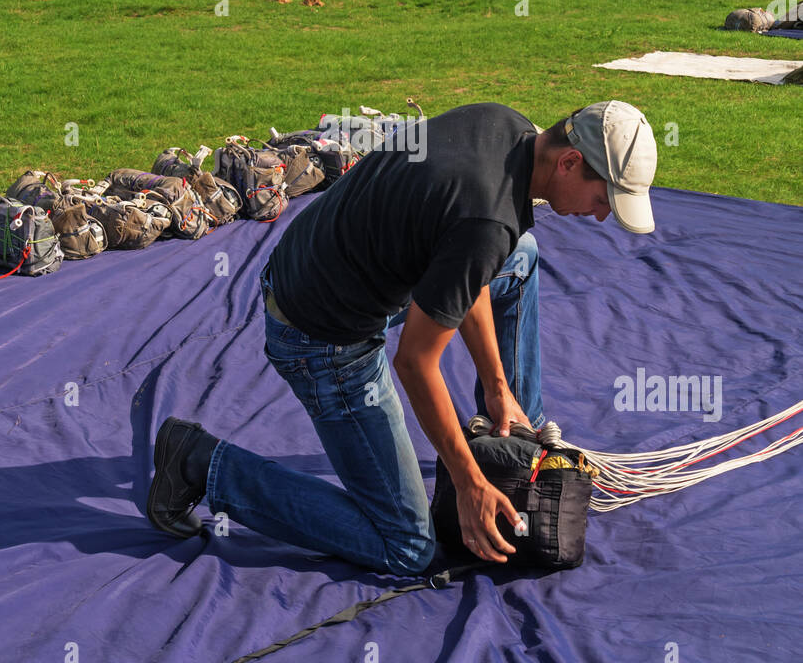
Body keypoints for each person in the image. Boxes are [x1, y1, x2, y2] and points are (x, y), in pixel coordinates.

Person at [147, 100, 657, 575]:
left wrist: (498, 387)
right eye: (603, 198)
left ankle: (515, 445)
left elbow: (474, 264)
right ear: (569, 162)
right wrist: (467, 484)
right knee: (408, 546)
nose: (601, 215)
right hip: (321, 336)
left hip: (314, 263)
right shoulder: (486, 217)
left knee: (519, 258)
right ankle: (199, 462)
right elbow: (415, 362)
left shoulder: (507, 128)